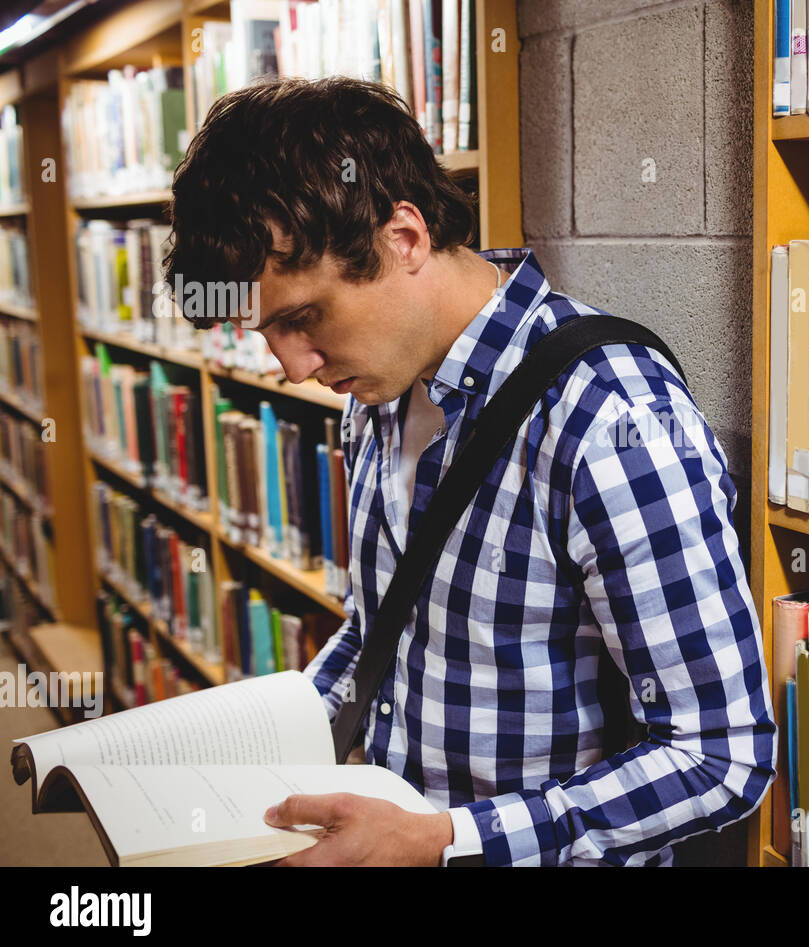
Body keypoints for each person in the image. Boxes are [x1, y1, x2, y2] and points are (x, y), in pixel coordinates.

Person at [163, 76, 775, 866]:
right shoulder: (377, 392)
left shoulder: (609, 416)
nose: (292, 366)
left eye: (303, 318)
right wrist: (262, 749)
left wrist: (447, 842)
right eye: (265, 333)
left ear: (403, 238)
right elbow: (384, 628)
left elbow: (720, 755)